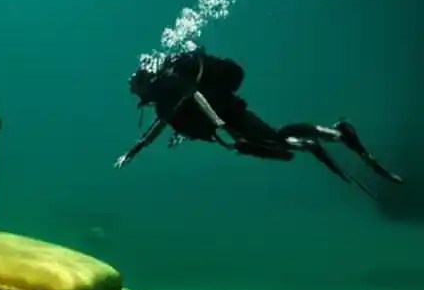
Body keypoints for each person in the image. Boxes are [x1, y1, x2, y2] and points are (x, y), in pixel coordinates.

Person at [115, 46, 404, 197]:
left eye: (133, 82)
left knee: (275, 138)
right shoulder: (161, 100)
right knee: (276, 145)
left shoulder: (170, 82)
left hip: (229, 117)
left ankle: (337, 134)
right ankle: (325, 139)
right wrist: (133, 152)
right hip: (227, 127)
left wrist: (218, 123)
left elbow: (195, 96)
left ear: (144, 81)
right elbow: (160, 126)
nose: (130, 85)